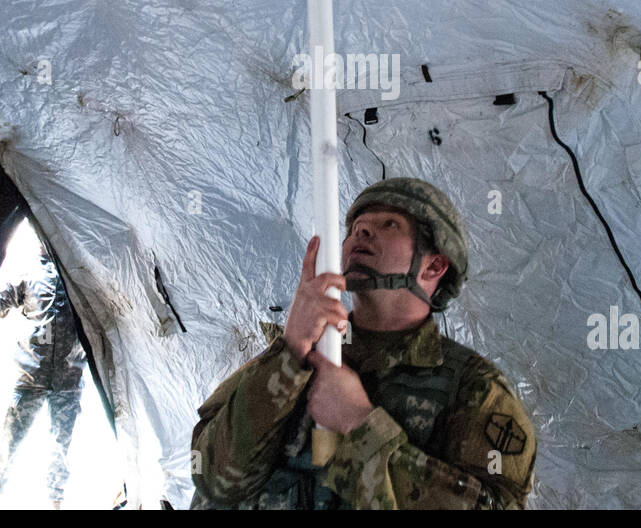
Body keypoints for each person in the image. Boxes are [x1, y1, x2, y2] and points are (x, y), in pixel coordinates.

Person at [190, 177, 537, 509]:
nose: (362, 231)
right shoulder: (296, 354)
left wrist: (359, 425)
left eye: (390, 225)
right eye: (355, 227)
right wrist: (291, 351)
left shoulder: (475, 390)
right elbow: (211, 477)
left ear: (434, 266)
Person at [0, 256, 87, 509]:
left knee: (62, 445)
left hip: (68, 379)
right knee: (10, 440)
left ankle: (55, 501)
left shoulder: (80, 274)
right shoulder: (28, 274)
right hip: (31, 376)